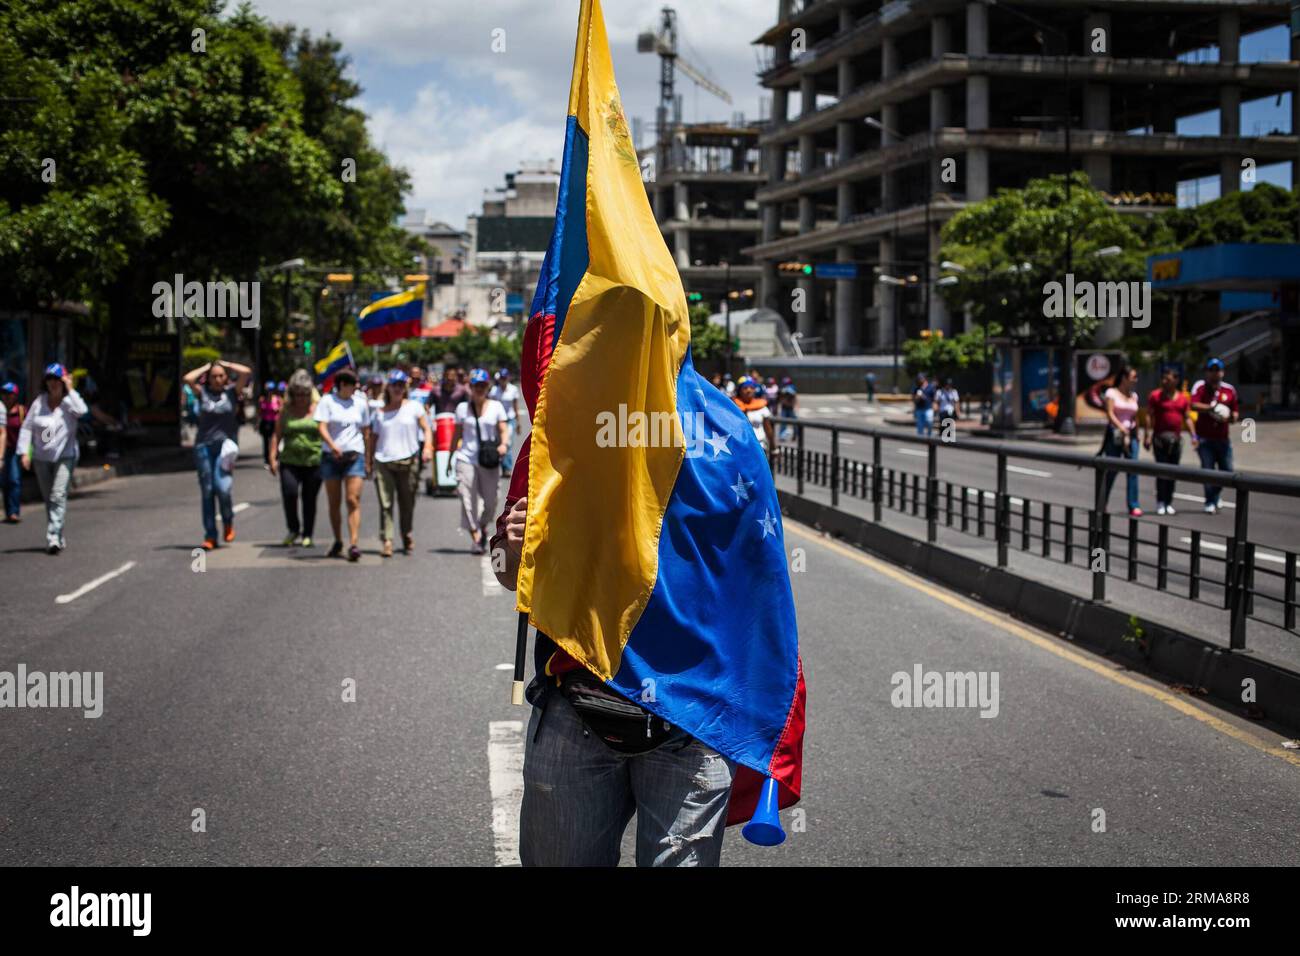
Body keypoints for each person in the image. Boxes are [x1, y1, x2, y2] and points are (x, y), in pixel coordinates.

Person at [17, 364, 89, 553]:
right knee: (49, 498)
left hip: (65, 456)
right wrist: (25, 452)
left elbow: (83, 411)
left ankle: (53, 536)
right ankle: (57, 531)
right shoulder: (39, 403)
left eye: (57, 380)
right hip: (41, 457)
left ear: (63, 382)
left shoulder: (69, 403)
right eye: (49, 380)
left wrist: (71, 388)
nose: (53, 384)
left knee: (58, 495)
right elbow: (27, 427)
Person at [182, 358, 252, 549]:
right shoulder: (202, 393)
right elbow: (188, 379)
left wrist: (226, 364)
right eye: (214, 376)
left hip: (225, 449)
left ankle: (228, 521)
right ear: (208, 379)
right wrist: (206, 366)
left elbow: (246, 371)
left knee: (222, 488)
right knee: (207, 490)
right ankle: (210, 535)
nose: (217, 379)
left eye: (221, 376)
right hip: (203, 447)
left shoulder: (231, 393)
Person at [367, 369, 433, 557]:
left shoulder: (414, 407)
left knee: (407, 502)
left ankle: (406, 533)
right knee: (386, 503)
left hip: (409, 461)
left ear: (405, 388)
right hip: (383, 461)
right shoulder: (379, 413)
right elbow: (372, 439)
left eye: (400, 385)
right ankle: (387, 539)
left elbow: (426, 429)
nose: (397, 388)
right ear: (388, 388)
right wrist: (369, 462)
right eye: (394, 385)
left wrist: (427, 447)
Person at [449, 368, 507, 554]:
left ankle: (482, 525)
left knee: (492, 501)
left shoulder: (496, 407)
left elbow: (503, 430)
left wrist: (504, 445)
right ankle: (475, 535)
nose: (479, 389)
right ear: (470, 387)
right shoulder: (462, 409)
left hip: (488, 458)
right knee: (466, 496)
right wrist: (450, 455)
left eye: (483, 385)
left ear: (488, 386)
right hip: (466, 458)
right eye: (476, 386)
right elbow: (456, 434)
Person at [315, 369, 370, 561]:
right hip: (331, 457)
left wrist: (368, 459)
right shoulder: (327, 402)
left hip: (354, 456)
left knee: (352, 499)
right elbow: (321, 426)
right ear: (341, 385)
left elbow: (365, 431)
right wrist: (332, 445)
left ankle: (354, 543)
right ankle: (338, 539)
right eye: (351, 385)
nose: (354, 389)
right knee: (334, 501)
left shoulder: (361, 404)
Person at [268, 370, 322, 548]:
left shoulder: (318, 409)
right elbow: (276, 435)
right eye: (297, 394)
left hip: (313, 460)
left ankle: (308, 533)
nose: (301, 398)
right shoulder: (286, 411)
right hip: (290, 460)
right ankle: (293, 529)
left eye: (304, 394)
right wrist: (272, 456)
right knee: (289, 493)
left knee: (309, 498)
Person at [1144, 365, 1196, 516]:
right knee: (1161, 471)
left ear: (1176, 380)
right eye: (1163, 379)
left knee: (1173, 472)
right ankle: (1160, 501)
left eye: (1168, 379)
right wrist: (1147, 435)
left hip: (1176, 440)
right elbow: (1148, 415)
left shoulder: (1182, 399)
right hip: (1160, 438)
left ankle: (1168, 502)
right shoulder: (1155, 396)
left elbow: (1187, 418)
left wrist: (1194, 436)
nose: (1164, 382)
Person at [1189, 357, 1238, 515]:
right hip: (1205, 439)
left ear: (1222, 372)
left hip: (1223, 438)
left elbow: (1235, 411)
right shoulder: (1200, 387)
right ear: (1207, 372)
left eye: (1218, 370)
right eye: (1212, 370)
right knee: (1208, 471)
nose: (1215, 373)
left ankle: (1215, 494)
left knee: (1227, 471)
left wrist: (1231, 417)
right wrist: (1212, 408)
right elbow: (1193, 404)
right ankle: (1210, 501)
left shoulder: (1229, 390)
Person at [1101, 364, 1144, 517]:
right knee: (1112, 469)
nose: (1136, 380)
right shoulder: (1111, 393)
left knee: (1133, 470)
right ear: (1124, 378)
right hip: (1116, 435)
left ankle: (1133, 505)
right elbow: (1110, 414)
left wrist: (1137, 433)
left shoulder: (1134, 396)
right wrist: (1121, 428)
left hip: (1131, 435)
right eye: (1134, 377)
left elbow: (1134, 416)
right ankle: (1102, 502)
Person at [489, 368, 521, 476]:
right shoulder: (494, 390)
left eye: (505, 378)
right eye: (501, 378)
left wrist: (518, 422)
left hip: (509, 420)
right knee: (499, 443)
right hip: (497, 421)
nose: (503, 380)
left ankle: (507, 468)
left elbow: (516, 406)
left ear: (508, 378)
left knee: (507, 443)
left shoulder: (513, 389)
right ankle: (503, 466)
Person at [734, 376, 775, 457]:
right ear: (739, 390)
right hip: (741, 448)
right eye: (745, 388)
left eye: (751, 387)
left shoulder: (762, 407)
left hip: (760, 447)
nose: (749, 390)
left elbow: (768, 429)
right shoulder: (734, 407)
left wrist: (773, 447)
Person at [1, 383, 25, 523]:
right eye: (4, 393)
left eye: (10, 394)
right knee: (4, 481)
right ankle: (8, 511)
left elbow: (32, 429)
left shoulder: (22, 411)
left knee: (14, 479)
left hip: (17, 450)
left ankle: (14, 512)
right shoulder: (0, 410)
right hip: (3, 450)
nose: (6, 396)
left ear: (15, 395)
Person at [257, 381, 281, 466]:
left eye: (271, 390)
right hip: (265, 422)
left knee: (274, 440)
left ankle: (275, 457)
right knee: (266, 442)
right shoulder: (262, 400)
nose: (269, 392)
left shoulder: (277, 399)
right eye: (268, 390)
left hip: (274, 422)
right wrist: (257, 423)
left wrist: (277, 410)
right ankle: (267, 459)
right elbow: (259, 413)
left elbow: (281, 411)